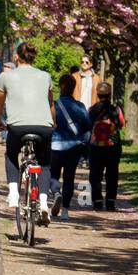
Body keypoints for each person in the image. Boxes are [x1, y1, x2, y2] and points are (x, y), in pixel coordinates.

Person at [0, 41, 55, 217]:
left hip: (18, 127)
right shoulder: (45, 76)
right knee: (44, 163)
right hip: (44, 126)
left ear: (16, 57)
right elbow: (51, 104)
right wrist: (53, 123)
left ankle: (13, 194)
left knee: (11, 154)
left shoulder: (6, 76)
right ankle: (43, 204)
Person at [50, 73, 91, 220]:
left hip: (56, 145)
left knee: (53, 174)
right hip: (75, 146)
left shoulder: (53, 105)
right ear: (74, 88)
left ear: (60, 87)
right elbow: (87, 127)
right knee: (69, 177)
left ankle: (56, 193)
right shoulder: (80, 106)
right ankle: (65, 210)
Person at [86, 82, 125, 211]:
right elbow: (121, 124)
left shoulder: (92, 109)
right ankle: (110, 202)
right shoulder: (116, 109)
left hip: (96, 146)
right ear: (110, 94)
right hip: (112, 146)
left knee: (95, 175)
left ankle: (97, 201)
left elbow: (87, 125)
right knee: (112, 174)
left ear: (97, 94)